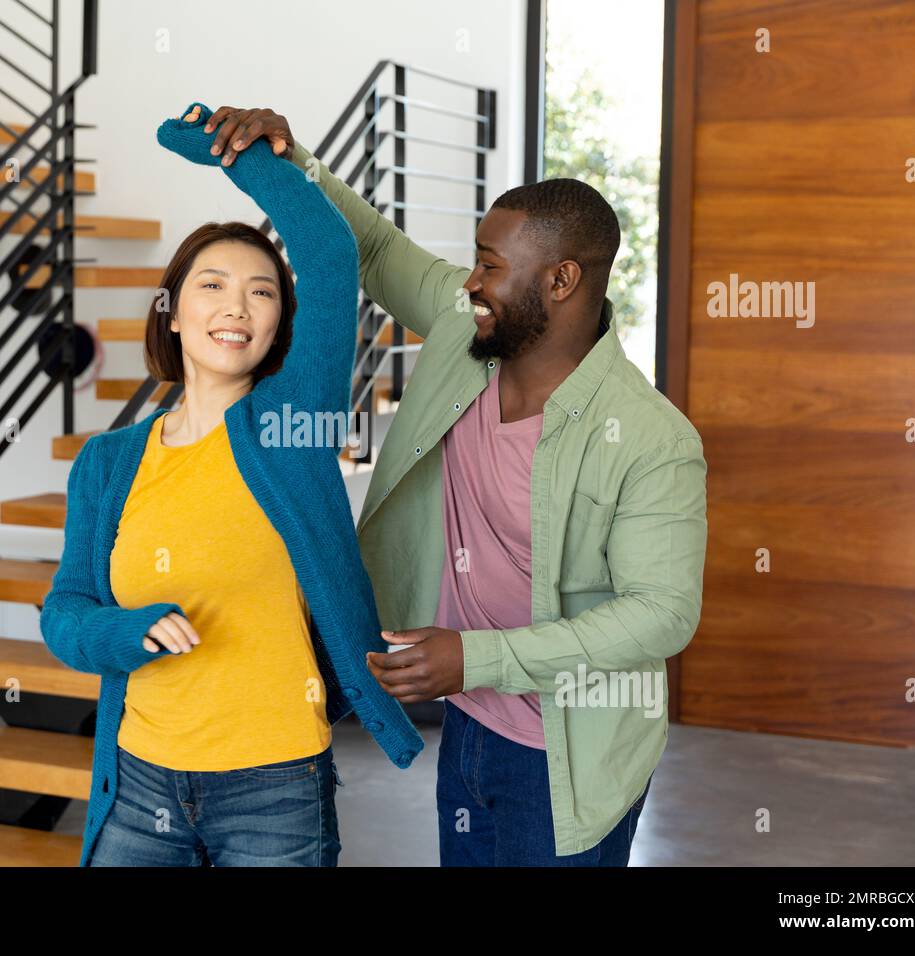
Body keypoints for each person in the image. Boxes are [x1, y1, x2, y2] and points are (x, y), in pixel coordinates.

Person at [207, 106, 708, 866]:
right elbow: (371, 247)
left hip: (566, 756)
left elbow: (664, 616)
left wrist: (478, 659)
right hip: (470, 724)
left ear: (562, 280)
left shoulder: (651, 437)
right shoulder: (465, 333)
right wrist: (283, 155)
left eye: (490, 265)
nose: (469, 282)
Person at [39, 102, 423, 868]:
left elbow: (325, 248)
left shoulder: (290, 426)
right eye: (211, 285)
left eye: (262, 292)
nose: (236, 307)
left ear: (281, 325)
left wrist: (224, 145)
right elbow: (65, 612)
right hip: (140, 778)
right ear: (173, 311)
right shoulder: (109, 463)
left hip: (275, 787)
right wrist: (124, 631)